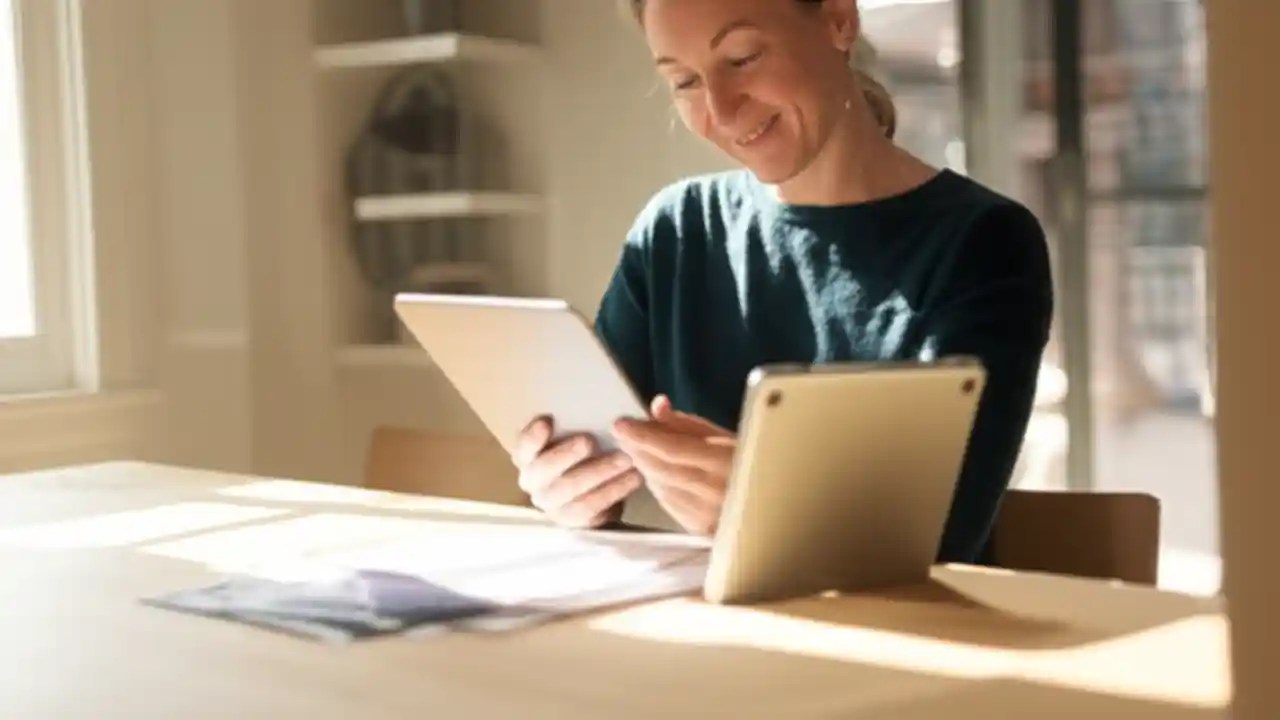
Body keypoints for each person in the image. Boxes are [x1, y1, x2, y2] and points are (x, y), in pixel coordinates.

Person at [512, 0, 1053, 564]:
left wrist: (766, 508)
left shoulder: (984, 241)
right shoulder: (675, 230)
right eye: (685, 81)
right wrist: (569, 488)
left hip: (895, 638)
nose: (719, 111)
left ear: (839, 19)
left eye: (742, 58)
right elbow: (598, 448)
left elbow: (945, 535)